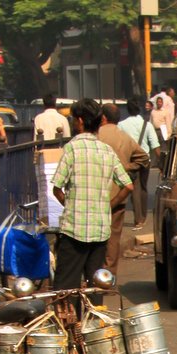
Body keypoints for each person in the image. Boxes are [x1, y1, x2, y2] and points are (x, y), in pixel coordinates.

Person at [51, 98, 132, 289]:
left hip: (73, 230)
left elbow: (57, 188)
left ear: (79, 121)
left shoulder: (72, 148)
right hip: (100, 231)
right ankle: (93, 318)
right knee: (95, 285)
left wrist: (70, 204)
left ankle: (70, 318)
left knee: (65, 288)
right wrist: (109, 206)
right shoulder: (107, 151)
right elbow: (128, 186)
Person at [97, 102, 149, 273]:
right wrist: (127, 167)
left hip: (95, 193)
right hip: (118, 194)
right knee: (113, 236)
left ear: (103, 118)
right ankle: (109, 274)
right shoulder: (125, 138)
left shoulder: (95, 135)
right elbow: (143, 158)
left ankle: (93, 273)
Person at [119, 97, 160, 225]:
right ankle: (143, 215)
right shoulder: (147, 125)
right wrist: (162, 162)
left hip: (130, 160)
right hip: (145, 160)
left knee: (135, 187)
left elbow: (120, 144)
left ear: (127, 110)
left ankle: (138, 219)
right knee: (143, 187)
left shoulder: (121, 125)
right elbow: (155, 146)